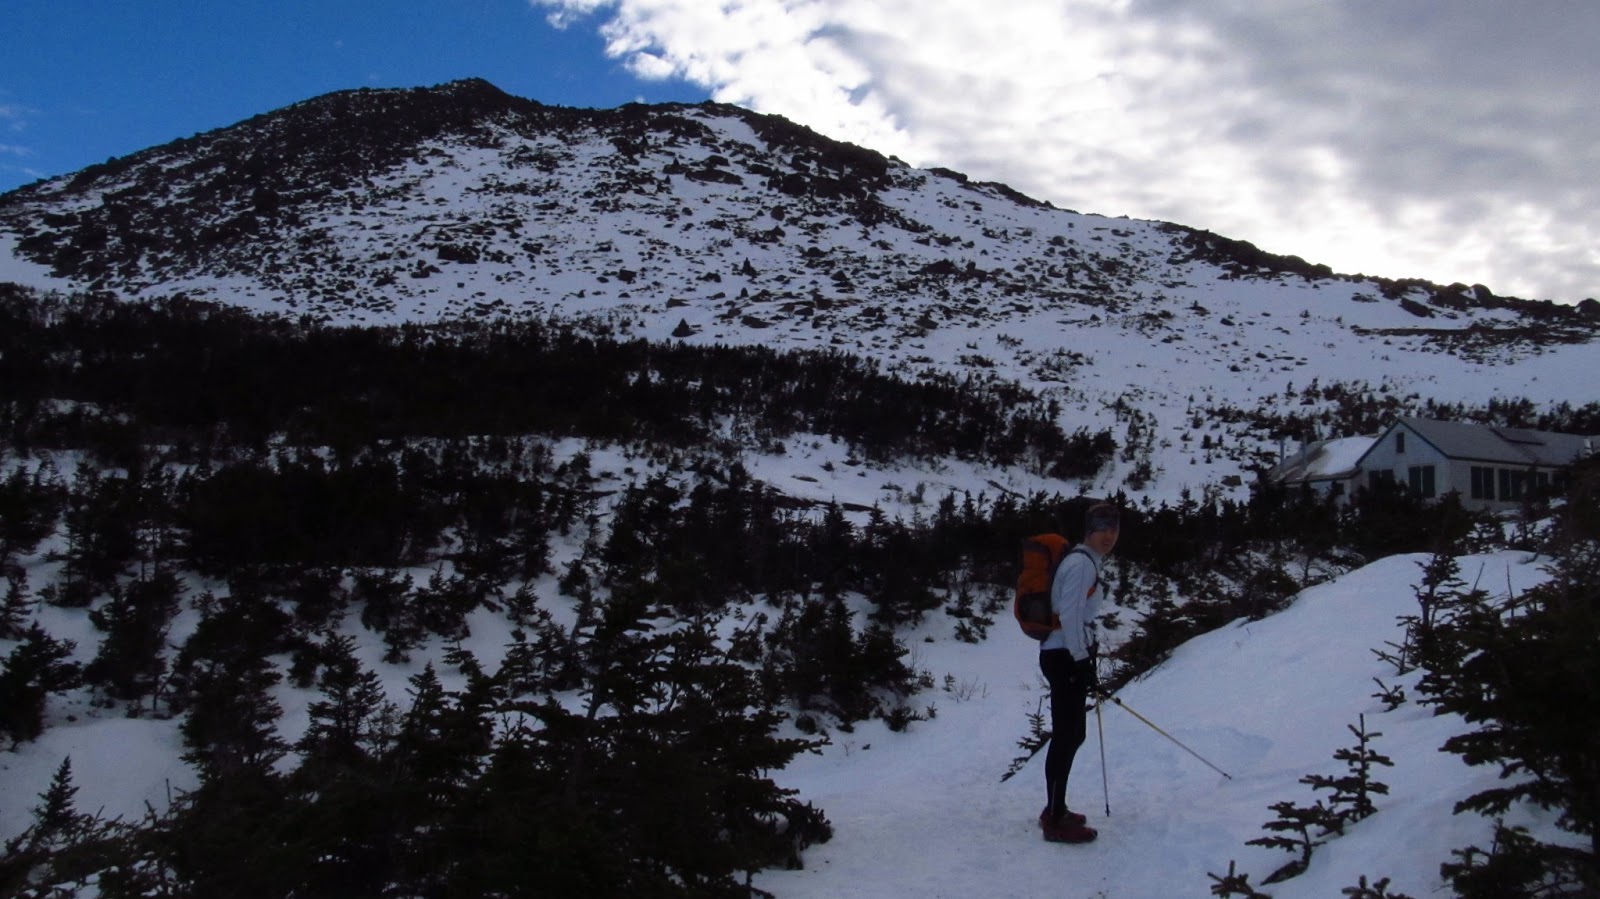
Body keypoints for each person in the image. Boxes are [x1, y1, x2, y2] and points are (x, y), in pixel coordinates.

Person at [1038, 502, 1118, 844]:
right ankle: (1056, 818)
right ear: (1089, 531)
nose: (1108, 536)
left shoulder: (1083, 561)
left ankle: (1055, 808)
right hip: (1064, 655)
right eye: (1102, 529)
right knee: (1068, 736)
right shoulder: (1082, 564)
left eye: (1113, 529)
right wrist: (1081, 659)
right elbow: (1069, 614)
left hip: (1063, 653)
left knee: (1070, 734)